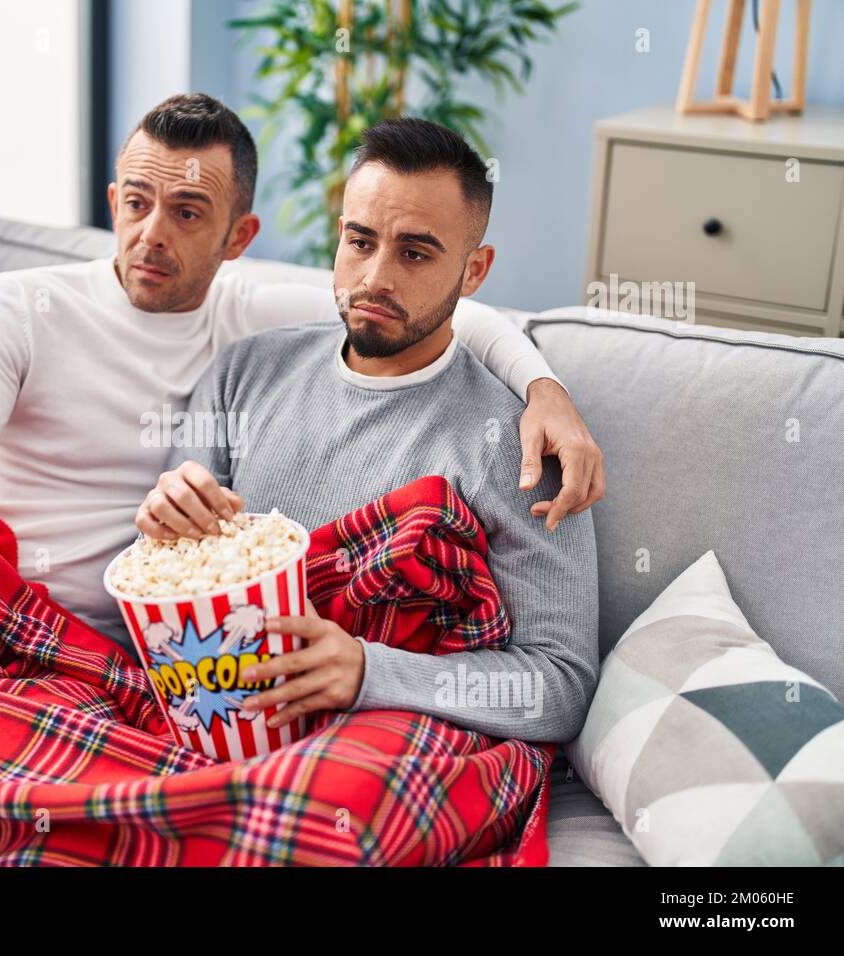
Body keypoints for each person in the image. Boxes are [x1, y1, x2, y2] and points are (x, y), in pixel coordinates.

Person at [0, 94, 604, 682]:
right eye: (136, 203)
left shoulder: (257, 322)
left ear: (238, 238)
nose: (150, 235)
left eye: (187, 212)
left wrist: (544, 388)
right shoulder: (40, 311)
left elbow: (462, 318)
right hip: (9, 605)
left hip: (163, 664)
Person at [137, 117, 599, 743]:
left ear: (474, 272)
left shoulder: (523, 449)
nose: (375, 278)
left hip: (378, 744)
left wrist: (369, 673)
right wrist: (162, 522)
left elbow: (560, 683)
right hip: (210, 711)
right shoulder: (243, 373)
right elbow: (158, 579)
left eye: (414, 253)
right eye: (361, 242)